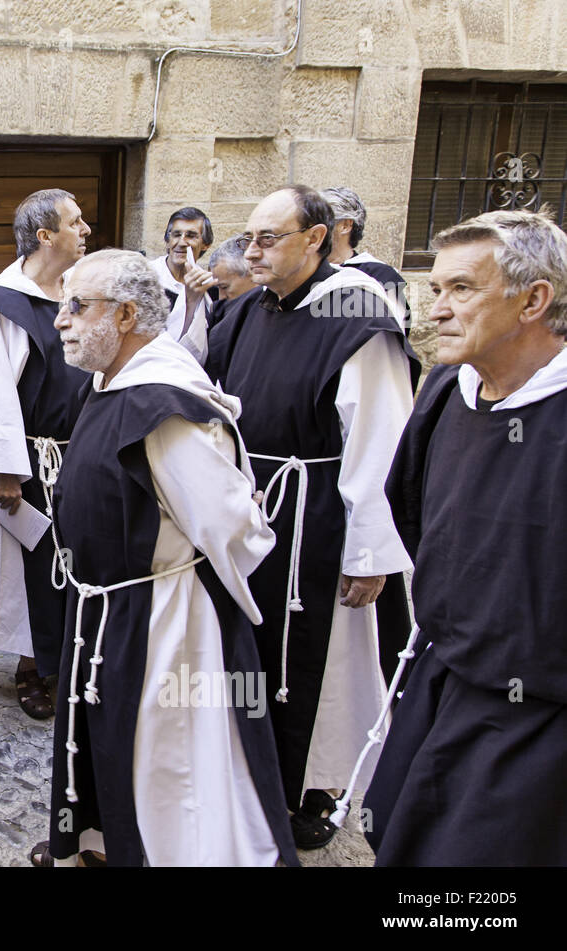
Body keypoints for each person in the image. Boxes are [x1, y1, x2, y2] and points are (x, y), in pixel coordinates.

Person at [28, 250, 295, 867]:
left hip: (164, 616)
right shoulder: (109, 383)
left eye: (77, 306)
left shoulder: (164, 406)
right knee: (113, 738)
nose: (61, 321)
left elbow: (230, 525)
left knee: (165, 756)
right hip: (107, 608)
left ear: (125, 315)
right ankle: (105, 845)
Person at [206, 185, 418, 849]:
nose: (252, 250)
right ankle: (248, 773)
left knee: (318, 667)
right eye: (249, 238)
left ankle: (310, 790)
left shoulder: (359, 315)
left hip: (316, 520)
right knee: (247, 652)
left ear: (318, 238)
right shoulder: (244, 313)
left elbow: (380, 439)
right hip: (250, 512)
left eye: (270, 237)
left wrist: (371, 554)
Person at [364, 210, 567, 865]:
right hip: (442, 678)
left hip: (537, 716)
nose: (438, 309)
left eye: (461, 290)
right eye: (437, 290)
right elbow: (414, 506)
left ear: (534, 299)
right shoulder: (449, 387)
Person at [0, 188, 92, 720]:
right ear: (45, 236)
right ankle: (32, 667)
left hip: (77, 455)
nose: (85, 231)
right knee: (29, 567)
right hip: (30, 463)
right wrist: (7, 473)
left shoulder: (79, 293)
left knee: (72, 560)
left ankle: (73, 657)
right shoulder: (6, 304)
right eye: (75, 223)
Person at [322, 186, 412, 335]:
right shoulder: (303, 271)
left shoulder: (381, 275)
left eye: (320, 221)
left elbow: (396, 332)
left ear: (345, 225)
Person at [150, 206, 216, 362]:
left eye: (191, 236)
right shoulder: (148, 277)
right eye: (176, 235)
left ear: (205, 244)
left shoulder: (209, 287)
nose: (181, 242)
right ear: (167, 241)